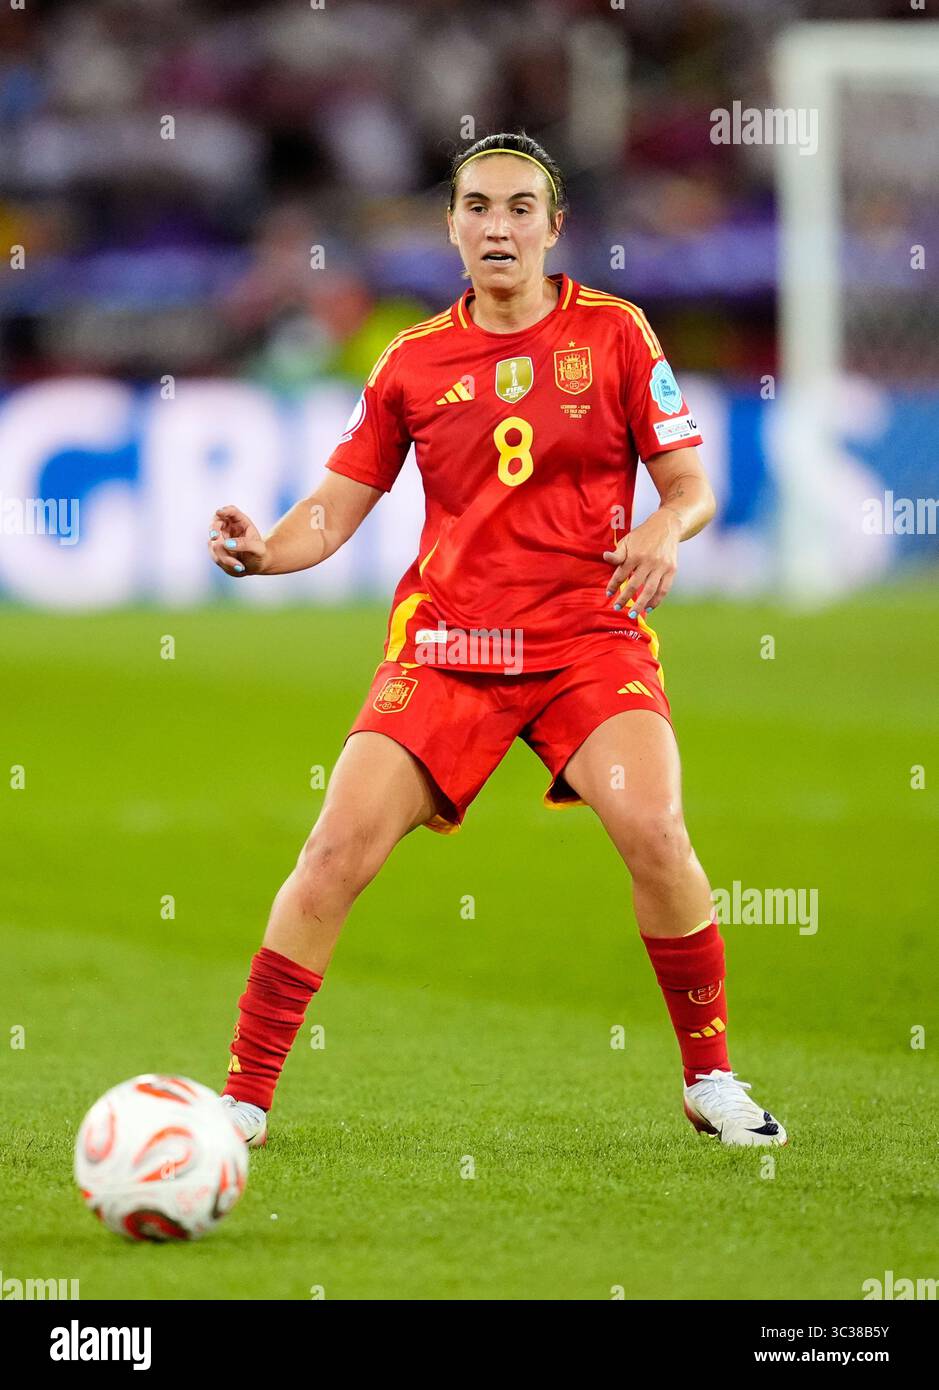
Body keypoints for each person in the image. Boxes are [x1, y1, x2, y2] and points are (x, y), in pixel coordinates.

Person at [208, 132, 786, 1150]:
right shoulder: (412, 360)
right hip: (448, 644)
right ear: (452, 227)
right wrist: (264, 551)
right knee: (336, 848)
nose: (499, 225)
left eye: (521, 207)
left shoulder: (614, 334)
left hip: (586, 636)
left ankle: (712, 1081)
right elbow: (332, 515)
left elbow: (692, 487)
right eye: (478, 206)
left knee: (654, 830)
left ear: (555, 227)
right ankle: (244, 1099)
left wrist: (663, 523)